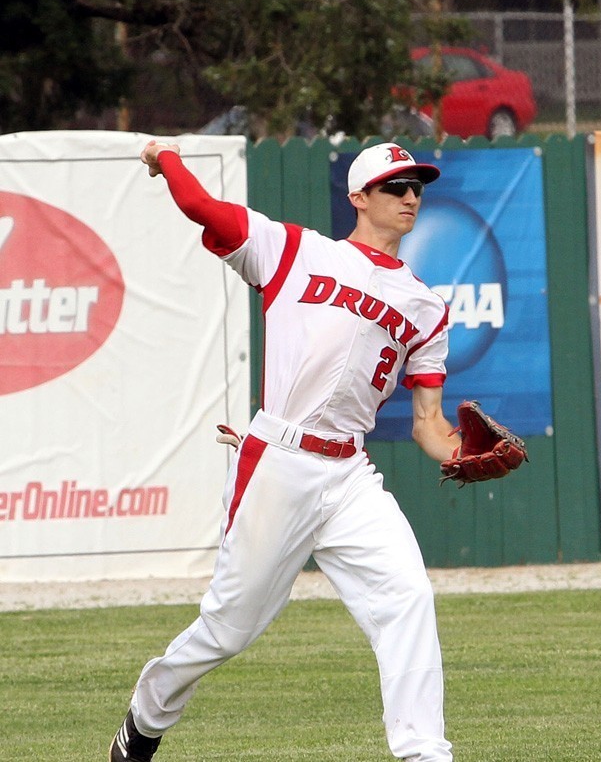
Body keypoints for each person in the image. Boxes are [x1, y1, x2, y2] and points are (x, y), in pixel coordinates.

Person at [110, 140, 460, 762]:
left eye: (416, 187)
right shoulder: (296, 250)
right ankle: (146, 716)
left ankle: (424, 753)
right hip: (279, 460)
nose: (411, 197)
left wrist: (459, 455)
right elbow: (204, 210)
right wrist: (166, 158)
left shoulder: (427, 308)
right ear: (358, 197)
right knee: (228, 630)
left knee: (407, 598)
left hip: (350, 473)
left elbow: (429, 425)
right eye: (394, 187)